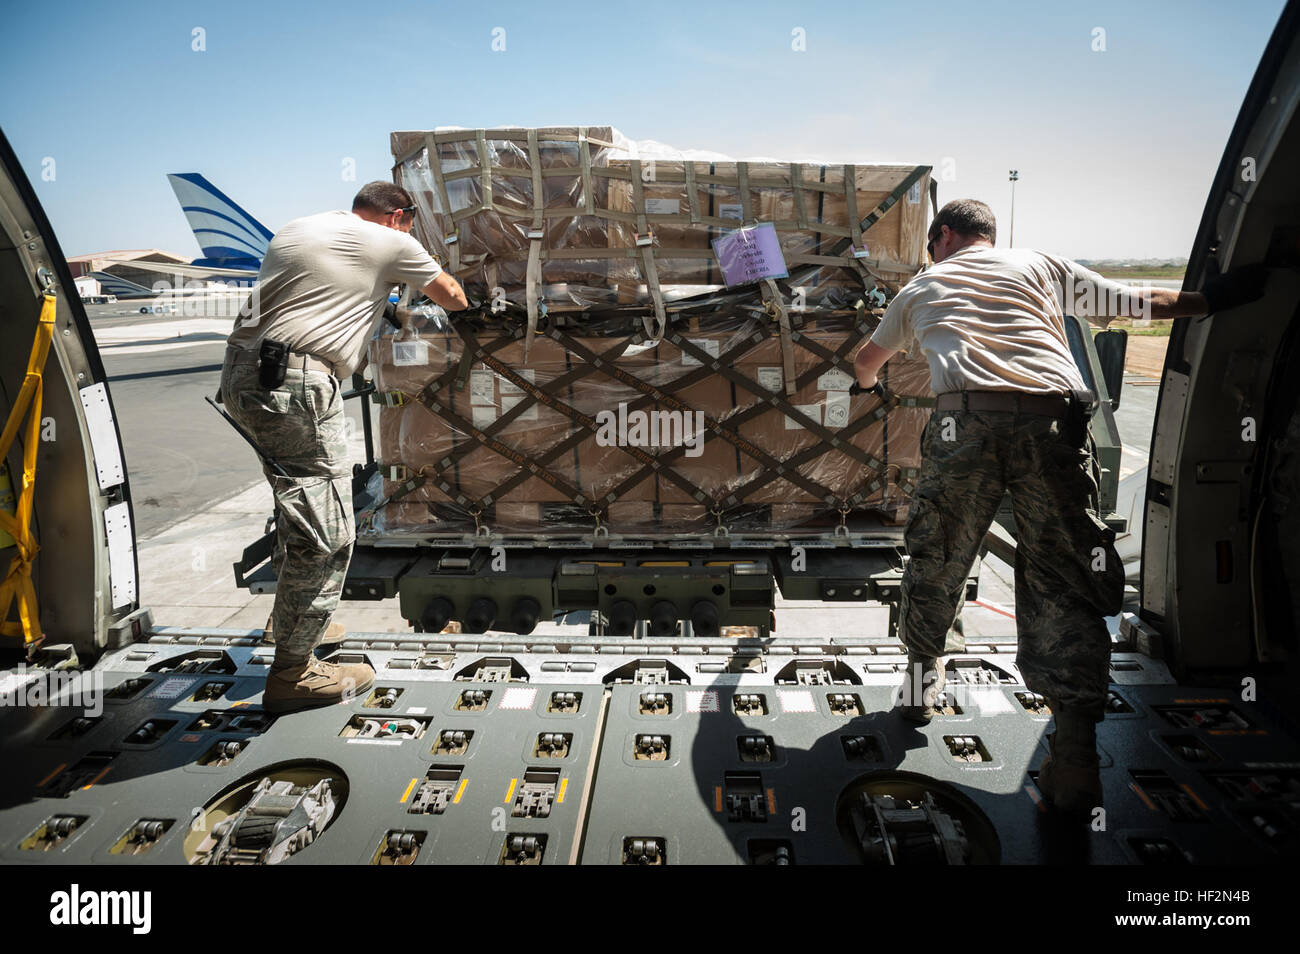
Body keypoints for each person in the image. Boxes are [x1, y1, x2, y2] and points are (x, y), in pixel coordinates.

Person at [854, 199, 1265, 814]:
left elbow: (865, 362)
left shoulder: (927, 283)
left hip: (962, 428)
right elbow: (1147, 304)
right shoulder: (1040, 265)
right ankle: (1073, 759)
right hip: (1053, 427)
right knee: (1063, 575)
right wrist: (1221, 296)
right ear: (991, 237)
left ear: (942, 237)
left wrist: (869, 386)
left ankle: (918, 690)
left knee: (937, 558)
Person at [220, 181, 468, 713]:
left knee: (298, 505)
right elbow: (455, 297)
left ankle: (293, 619)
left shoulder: (299, 228)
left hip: (243, 377)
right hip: (297, 384)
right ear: (398, 217)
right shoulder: (394, 242)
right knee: (329, 531)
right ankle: (294, 673)